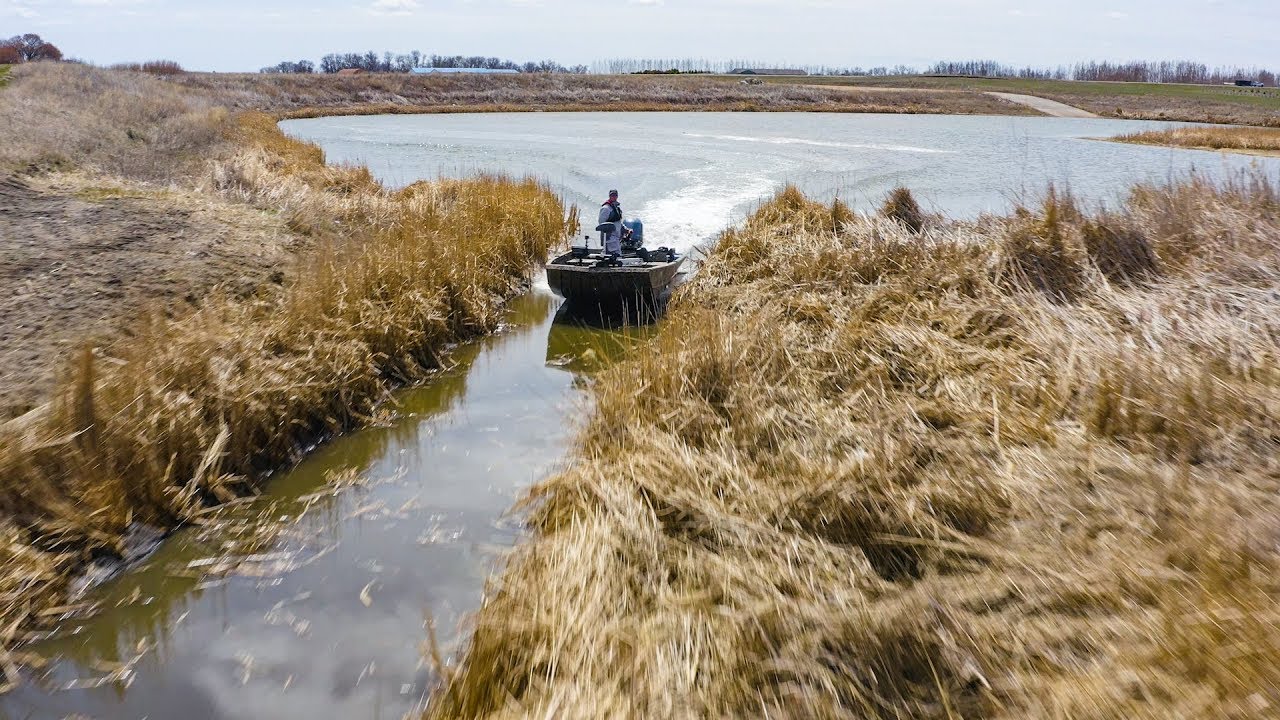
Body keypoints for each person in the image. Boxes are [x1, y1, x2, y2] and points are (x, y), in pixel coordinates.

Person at [597, 189, 625, 255]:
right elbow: (601, 223)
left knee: (617, 255)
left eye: (615, 195)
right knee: (610, 256)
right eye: (612, 195)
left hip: (616, 238)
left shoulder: (616, 207)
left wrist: (624, 229)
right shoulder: (606, 208)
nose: (614, 197)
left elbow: (618, 222)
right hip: (609, 238)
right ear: (609, 196)